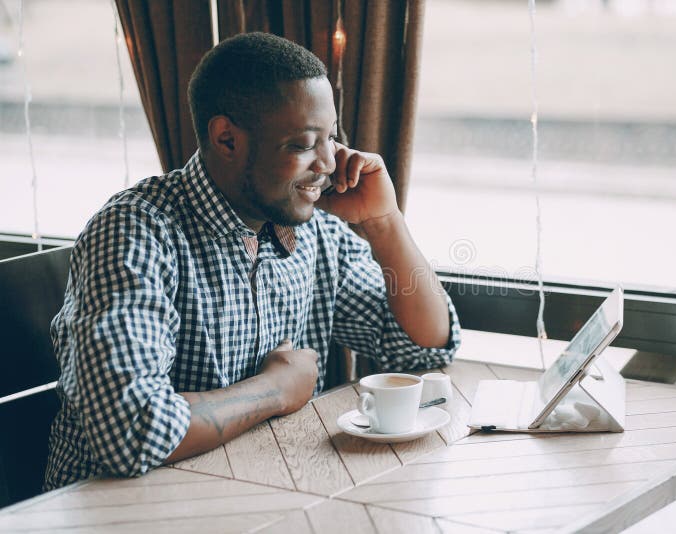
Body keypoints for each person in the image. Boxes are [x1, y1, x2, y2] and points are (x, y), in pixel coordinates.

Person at [43, 32, 461, 491]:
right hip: (116, 511)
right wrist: (276, 390)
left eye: (332, 138)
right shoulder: (136, 233)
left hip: (252, 489)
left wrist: (383, 221)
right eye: (303, 144)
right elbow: (131, 430)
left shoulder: (315, 231)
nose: (327, 163)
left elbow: (424, 347)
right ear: (226, 139)